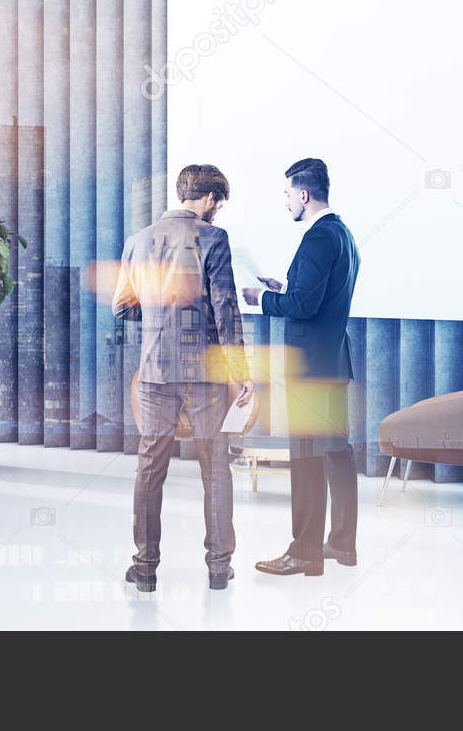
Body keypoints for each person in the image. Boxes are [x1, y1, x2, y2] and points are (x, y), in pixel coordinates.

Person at [113, 164, 254, 592]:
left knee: (149, 468)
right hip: (205, 373)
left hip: (156, 371)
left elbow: (122, 307)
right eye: (219, 204)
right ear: (209, 199)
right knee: (215, 468)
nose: (217, 212)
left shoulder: (138, 240)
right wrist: (240, 372)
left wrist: (161, 316)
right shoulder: (214, 238)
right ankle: (218, 567)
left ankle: (145, 567)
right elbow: (225, 308)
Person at [243, 157, 360, 577]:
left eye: (288, 194)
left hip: (310, 370)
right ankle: (342, 545)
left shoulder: (316, 238)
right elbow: (316, 297)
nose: (287, 201)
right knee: (337, 454)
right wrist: (286, 288)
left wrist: (262, 298)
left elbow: (304, 307)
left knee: (307, 457)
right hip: (333, 363)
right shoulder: (343, 234)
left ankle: (305, 552)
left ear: (304, 195)